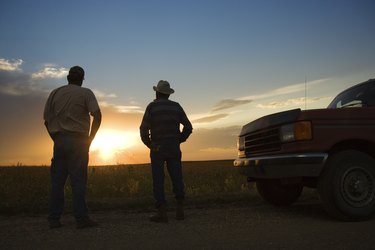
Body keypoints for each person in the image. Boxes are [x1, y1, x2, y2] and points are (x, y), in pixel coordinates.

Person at [43, 66, 102, 229]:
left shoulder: (55, 93)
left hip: (60, 140)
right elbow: (97, 115)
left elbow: (47, 121)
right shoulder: (86, 93)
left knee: (57, 182)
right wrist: (90, 139)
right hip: (79, 141)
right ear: (82, 79)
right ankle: (81, 218)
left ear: (68, 78)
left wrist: (55, 138)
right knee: (78, 181)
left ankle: (54, 219)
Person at [140, 80, 193, 223]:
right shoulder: (176, 107)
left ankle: (162, 213)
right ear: (168, 94)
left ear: (157, 93)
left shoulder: (151, 107)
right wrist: (179, 139)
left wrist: (149, 144)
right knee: (177, 176)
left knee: (158, 178)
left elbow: (143, 129)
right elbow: (188, 126)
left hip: (157, 147)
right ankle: (180, 210)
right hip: (173, 146)